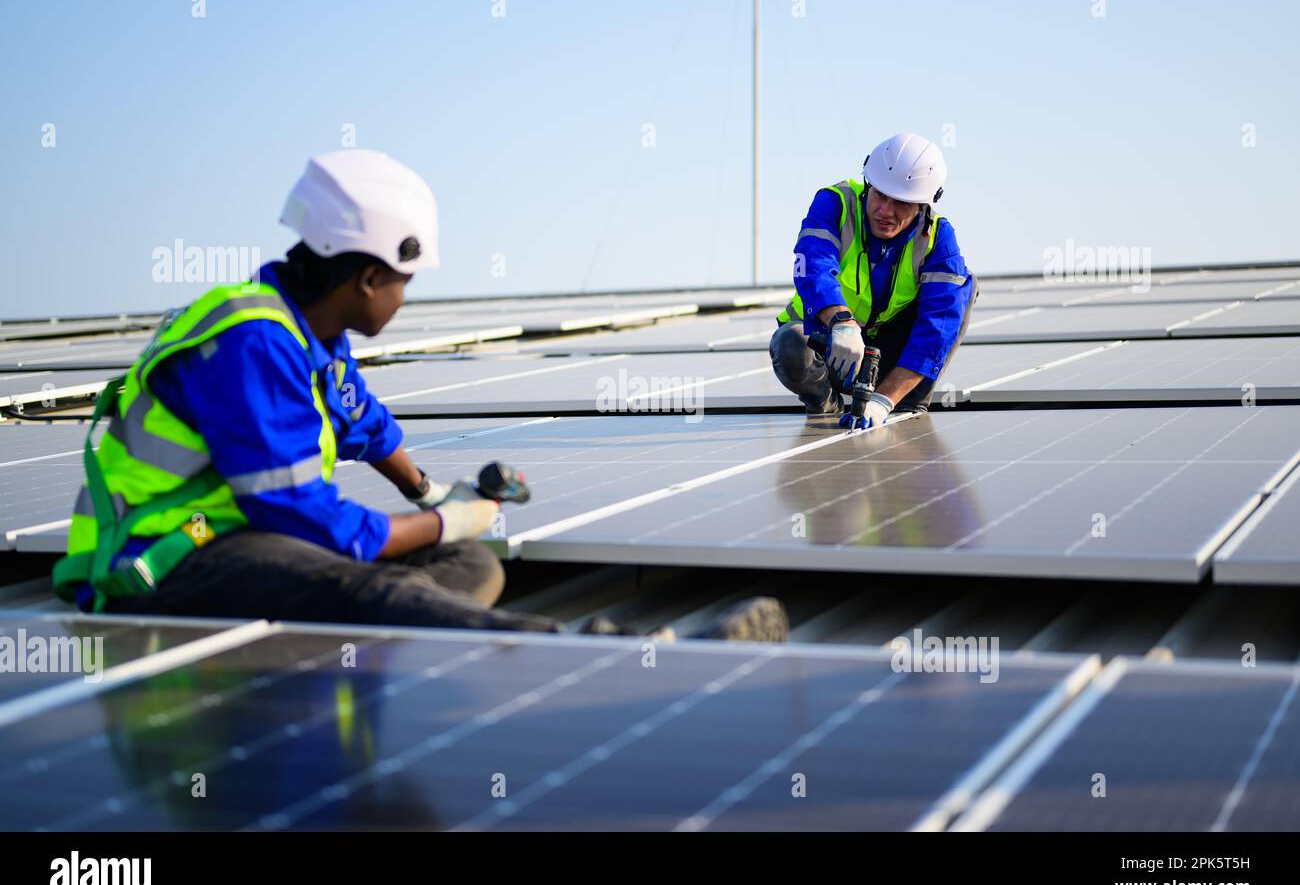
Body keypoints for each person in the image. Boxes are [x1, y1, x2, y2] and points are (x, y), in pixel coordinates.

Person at [54, 149, 786, 642]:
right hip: (164, 559)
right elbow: (304, 516)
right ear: (368, 277)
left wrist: (437, 498)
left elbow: (361, 422)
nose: (406, 297)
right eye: (405, 281)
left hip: (236, 539)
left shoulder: (308, 328)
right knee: (380, 587)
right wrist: (443, 526)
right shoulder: (253, 340)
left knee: (476, 566)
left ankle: (397, 632)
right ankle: (603, 648)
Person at [770, 133, 978, 427]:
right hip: (832, 347)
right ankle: (825, 406)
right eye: (880, 194)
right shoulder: (836, 203)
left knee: (963, 286)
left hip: (892, 359)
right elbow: (812, 262)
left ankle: (901, 401)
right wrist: (840, 320)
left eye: (901, 203)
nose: (885, 211)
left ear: (923, 205)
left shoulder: (938, 239)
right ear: (868, 183)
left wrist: (883, 401)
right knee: (790, 342)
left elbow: (939, 325)